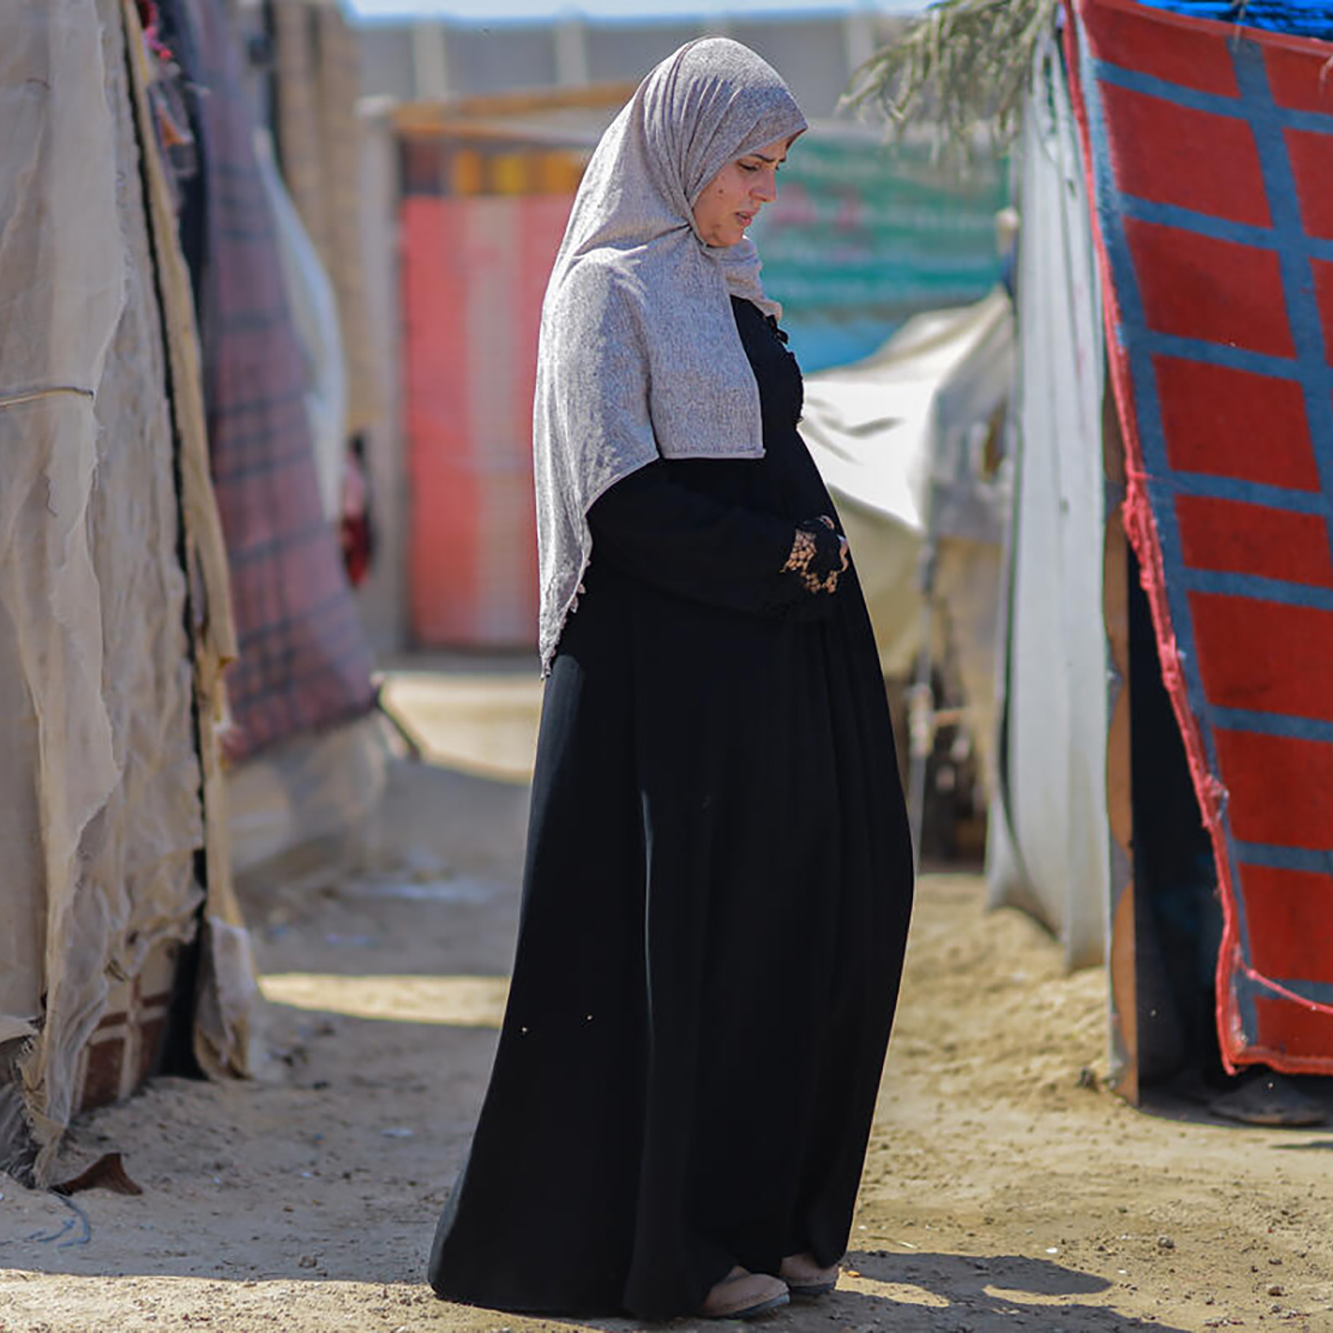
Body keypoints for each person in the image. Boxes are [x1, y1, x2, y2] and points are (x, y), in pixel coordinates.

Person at [425, 38, 915, 1323]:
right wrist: (784, 555)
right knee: (674, 962)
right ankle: (671, 1251)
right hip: (658, 688)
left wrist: (795, 568)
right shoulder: (606, 291)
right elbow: (625, 504)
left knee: (795, 929)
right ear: (688, 154)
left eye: (775, 169)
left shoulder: (725, 284)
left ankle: (773, 1217)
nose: (763, 193)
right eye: (749, 167)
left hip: (754, 663)